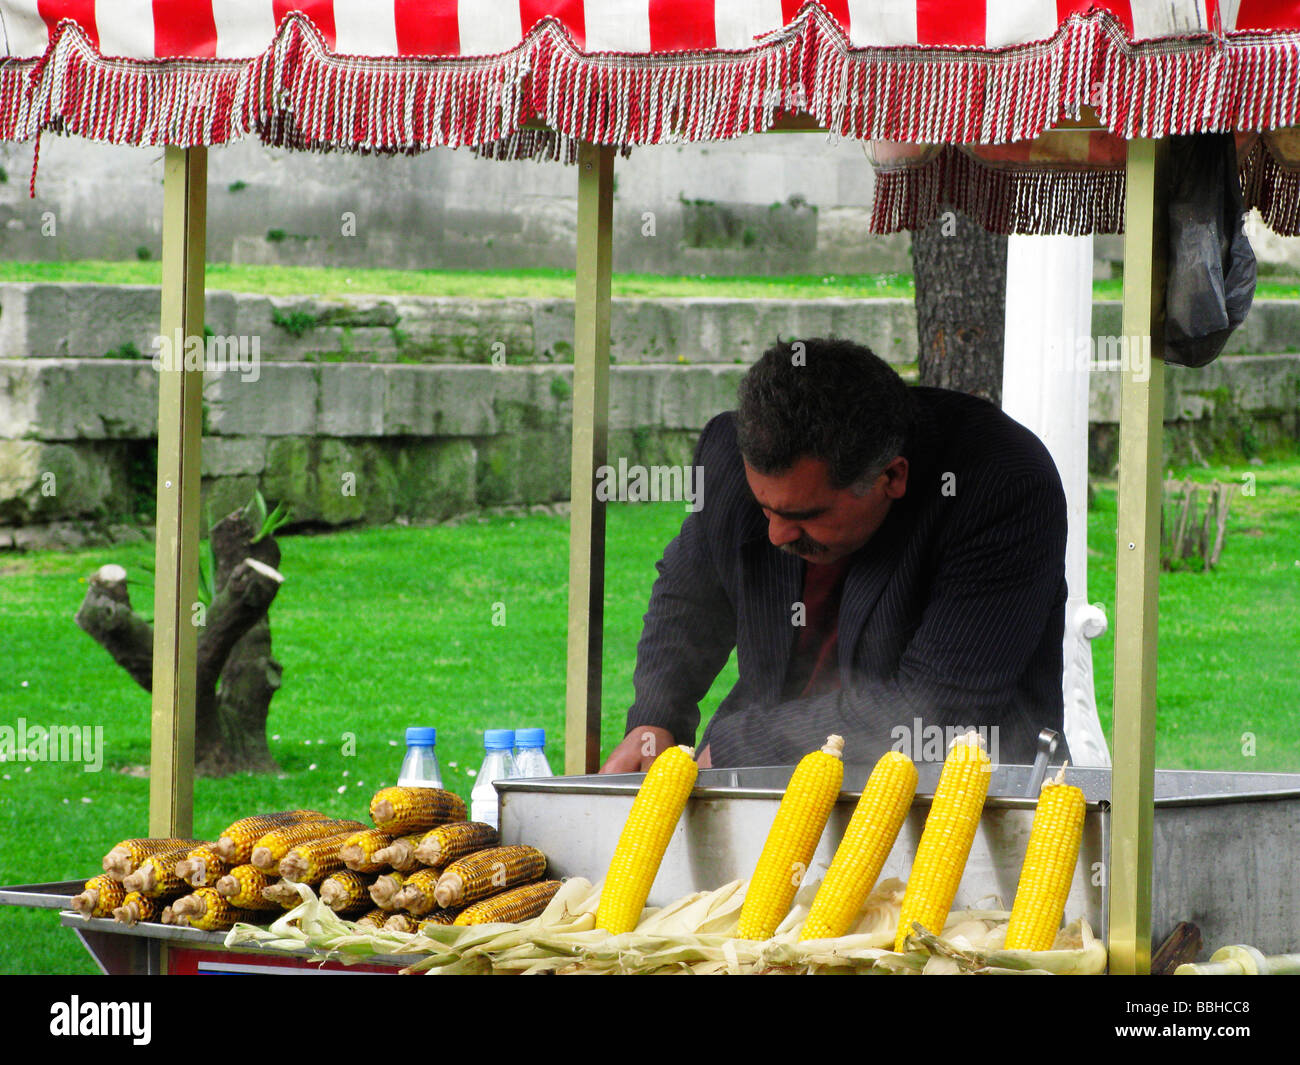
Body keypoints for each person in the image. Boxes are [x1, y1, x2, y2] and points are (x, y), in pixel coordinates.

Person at [598, 337, 1068, 772]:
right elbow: (690, 597)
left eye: (805, 514)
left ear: (892, 477)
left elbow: (939, 707)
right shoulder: (728, 458)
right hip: (771, 777)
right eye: (765, 508)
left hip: (958, 797)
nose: (778, 534)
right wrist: (655, 720)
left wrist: (740, 748)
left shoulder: (1000, 485)